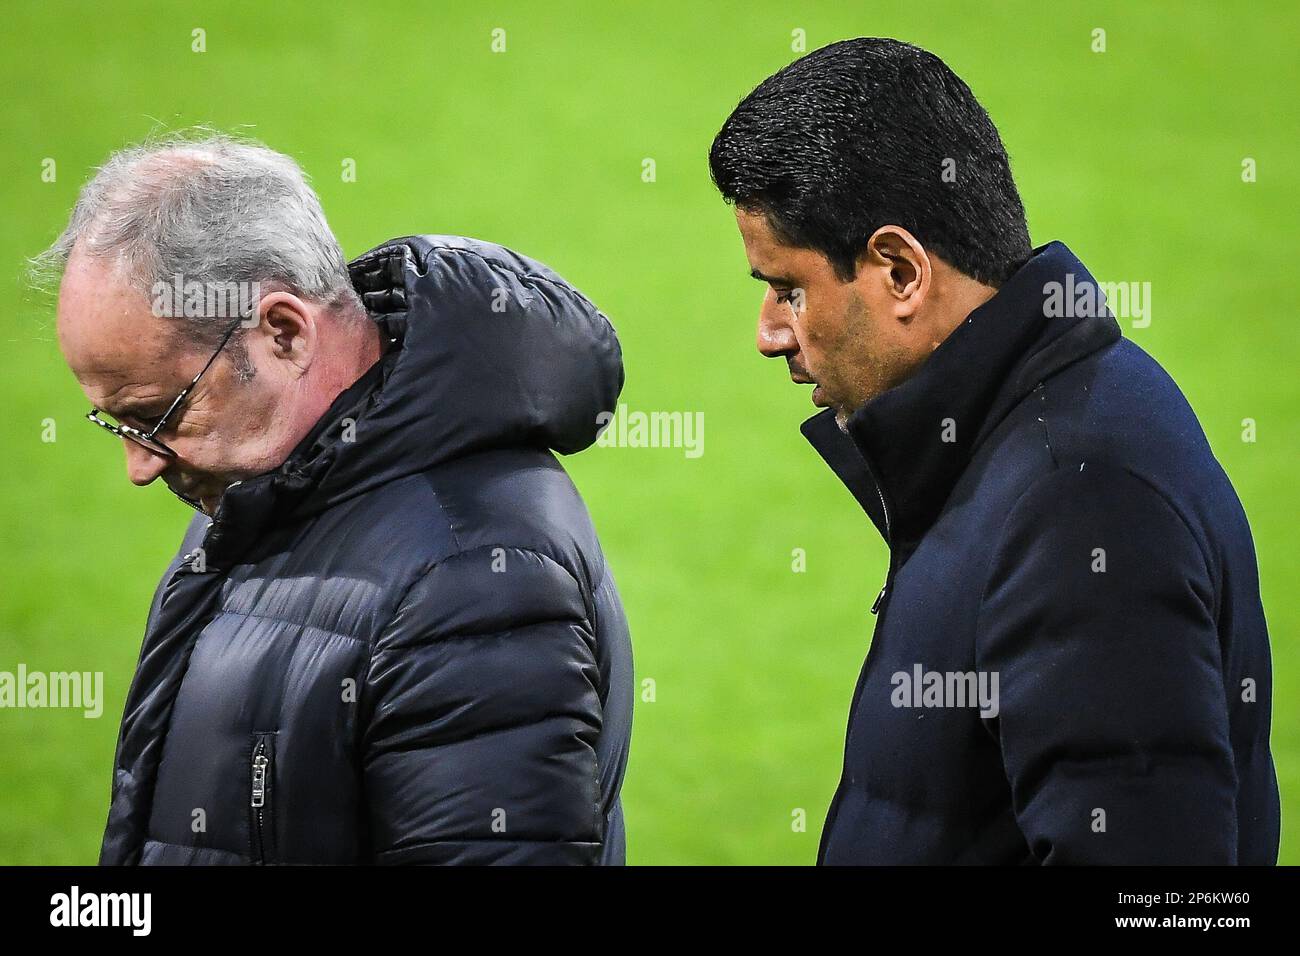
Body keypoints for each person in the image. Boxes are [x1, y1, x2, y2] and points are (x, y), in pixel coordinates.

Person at [709, 38, 1279, 864]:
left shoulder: (1080, 507)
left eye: (789, 289)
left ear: (901, 271)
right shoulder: (1026, 429)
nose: (769, 334)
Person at [45, 132, 633, 865]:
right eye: (115, 424)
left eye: (155, 415)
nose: (138, 465)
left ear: (284, 333)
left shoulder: (475, 578)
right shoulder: (264, 483)